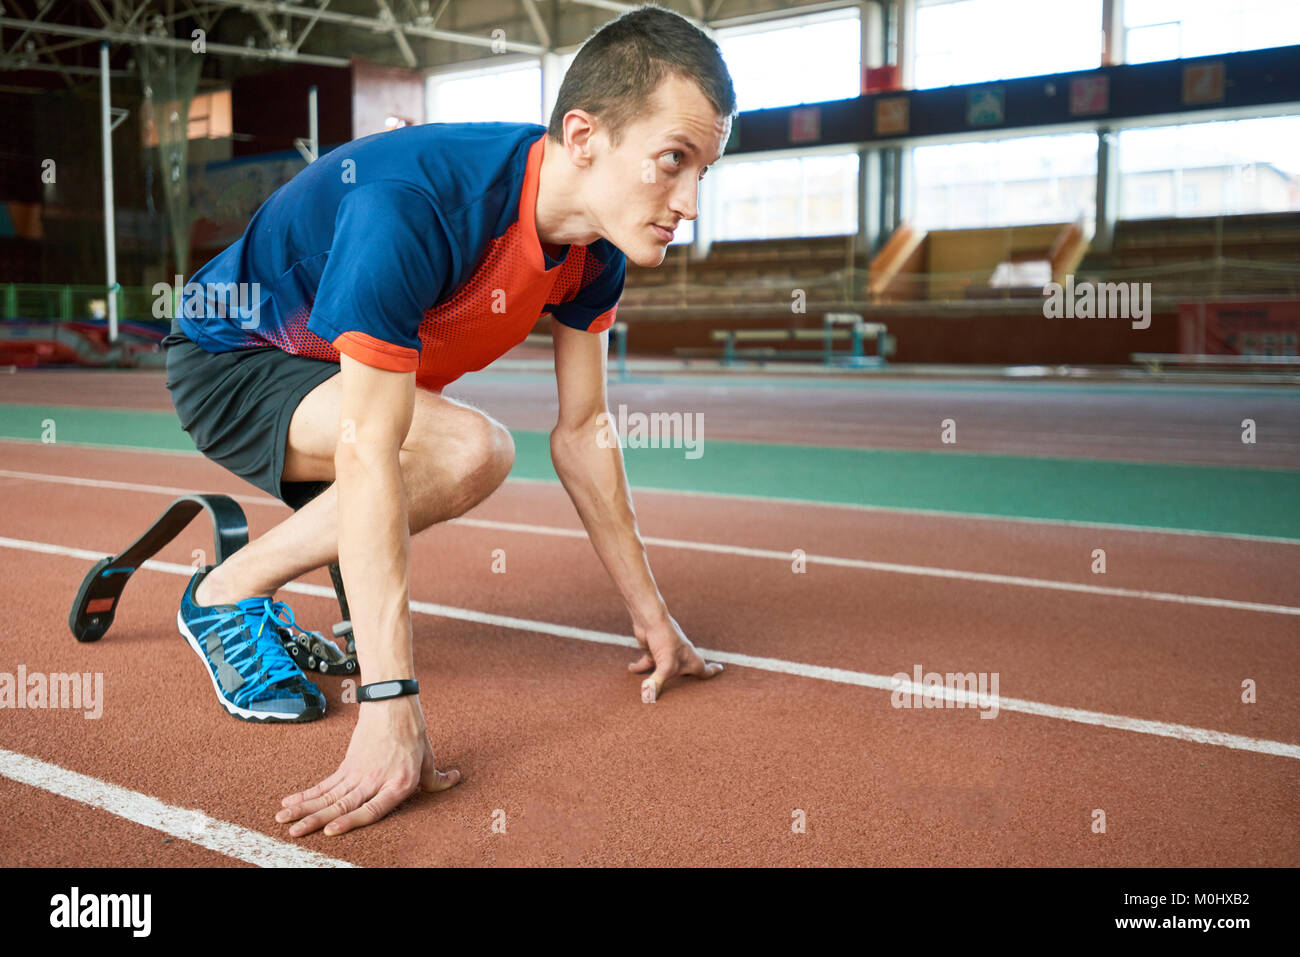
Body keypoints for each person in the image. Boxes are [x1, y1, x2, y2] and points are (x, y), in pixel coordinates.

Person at [161, 3, 737, 838]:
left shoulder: (597, 246)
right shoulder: (415, 206)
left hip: (337, 376)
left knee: (460, 448)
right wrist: (388, 707)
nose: (689, 203)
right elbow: (371, 451)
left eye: (703, 173)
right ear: (583, 137)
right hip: (231, 358)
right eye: (673, 162)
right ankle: (224, 590)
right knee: (467, 446)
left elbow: (583, 435)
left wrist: (653, 619)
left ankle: (282, 579)